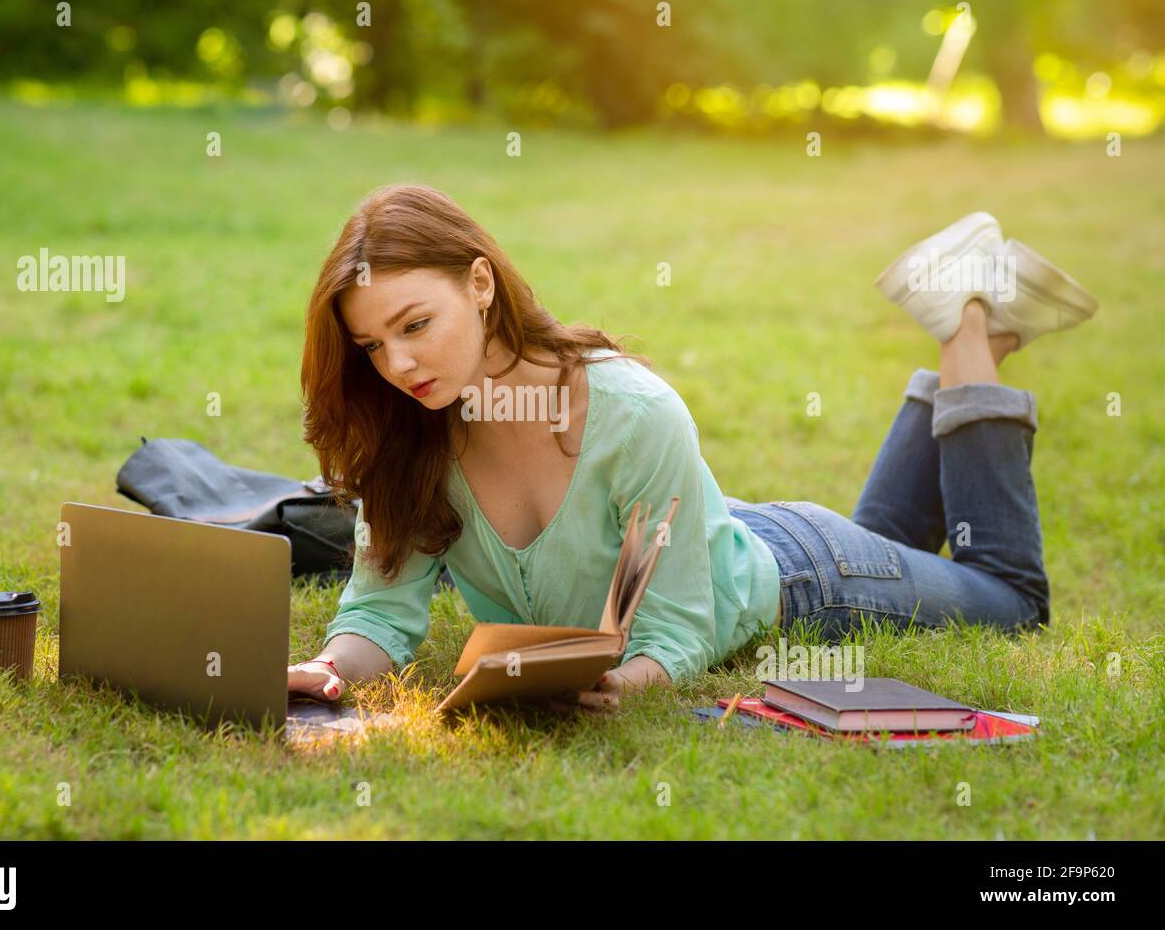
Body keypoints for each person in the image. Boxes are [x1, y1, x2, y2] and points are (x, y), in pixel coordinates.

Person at [288, 188, 1097, 710]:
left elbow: (675, 627)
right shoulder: (406, 437)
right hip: (712, 536)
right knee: (897, 542)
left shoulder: (631, 413)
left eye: (415, 326)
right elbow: (380, 612)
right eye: (370, 346)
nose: (397, 366)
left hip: (805, 581)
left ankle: (970, 327)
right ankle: (954, 357)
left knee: (1010, 601)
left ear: (479, 284)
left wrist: (628, 680)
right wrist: (331, 669)